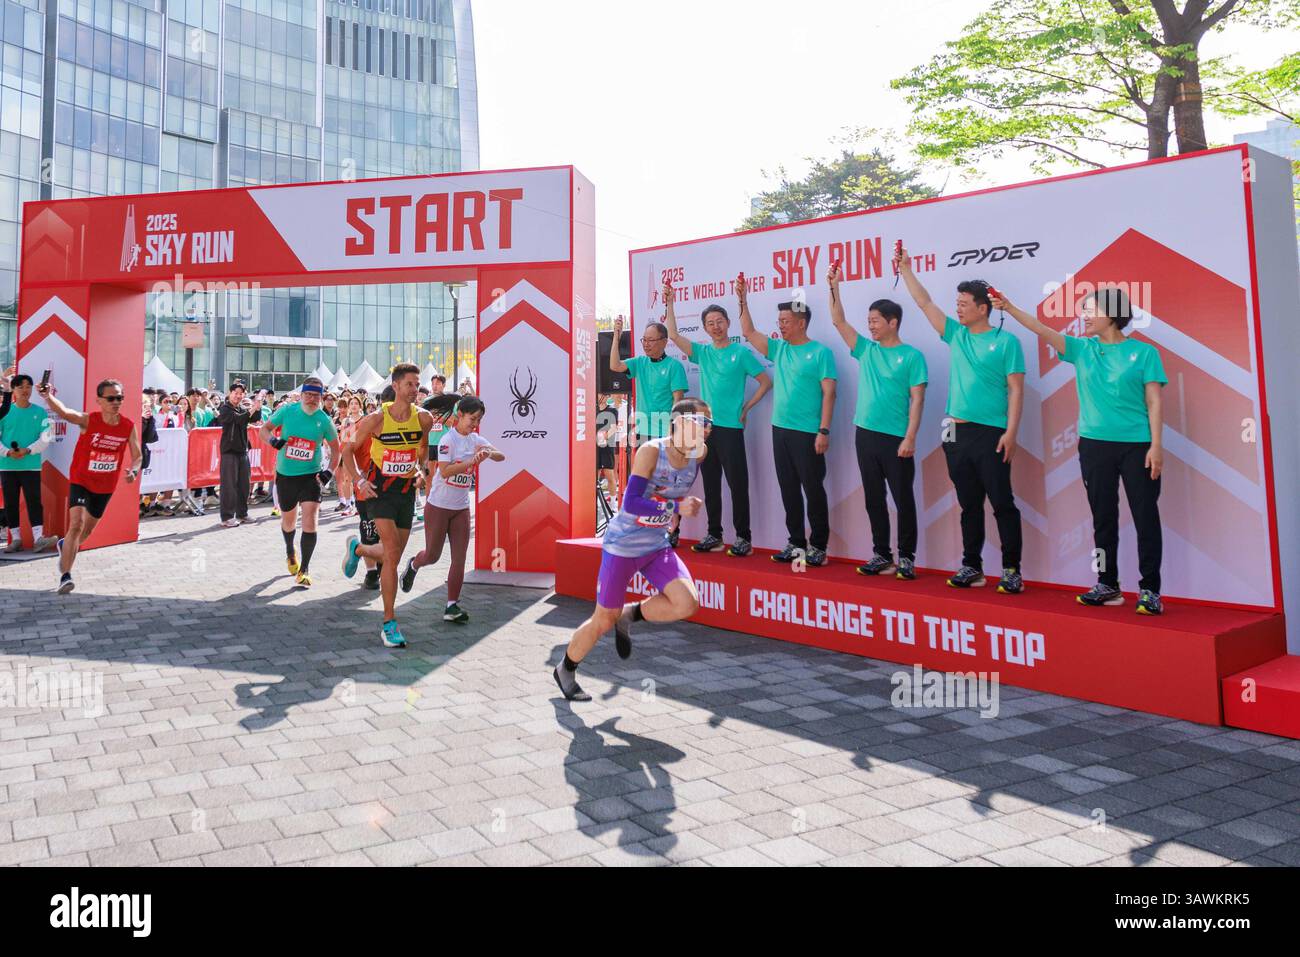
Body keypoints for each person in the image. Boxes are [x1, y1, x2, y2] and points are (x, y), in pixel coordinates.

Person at [994, 286, 1167, 614]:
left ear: (1113, 314)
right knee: (1103, 518)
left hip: (1138, 446)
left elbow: (1154, 401)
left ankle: (1150, 590)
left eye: (1091, 310)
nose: (1084, 317)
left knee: (1145, 517)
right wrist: (1010, 307)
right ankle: (1107, 583)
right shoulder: (1081, 349)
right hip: (1094, 446)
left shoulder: (1144, 354)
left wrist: (1156, 446)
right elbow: (1040, 329)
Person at [554, 398, 710, 702]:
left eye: (710, 423)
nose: (707, 430)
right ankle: (566, 668)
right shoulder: (652, 450)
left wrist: (673, 514)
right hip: (623, 546)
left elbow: (669, 492)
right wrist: (676, 506)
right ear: (679, 423)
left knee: (687, 603)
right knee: (602, 620)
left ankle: (630, 613)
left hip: (655, 545)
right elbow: (631, 503)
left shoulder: (699, 454)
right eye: (702, 422)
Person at [898, 246, 1025, 593]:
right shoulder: (956, 334)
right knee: (968, 503)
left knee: (1001, 502)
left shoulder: (1006, 341)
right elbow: (925, 303)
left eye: (965, 303)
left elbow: (1016, 389)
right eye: (957, 303)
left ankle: (1012, 570)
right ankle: (973, 566)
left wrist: (1011, 432)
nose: (958, 308)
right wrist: (907, 269)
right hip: (955, 431)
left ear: (983, 308)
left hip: (992, 432)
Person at [828, 265, 927, 580]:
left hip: (896, 438)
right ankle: (881, 554)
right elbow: (838, 321)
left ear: (892, 322)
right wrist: (834, 287)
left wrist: (910, 437)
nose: (870, 326)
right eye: (869, 321)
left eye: (875, 321)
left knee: (903, 499)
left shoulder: (912, 357)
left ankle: (906, 558)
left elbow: (918, 400)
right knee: (874, 498)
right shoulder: (866, 350)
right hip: (865, 435)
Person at [663, 282, 771, 558]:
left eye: (719, 321)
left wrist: (746, 408)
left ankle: (743, 538)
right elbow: (673, 334)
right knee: (711, 483)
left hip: (731, 428)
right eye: (710, 323)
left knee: (738, 484)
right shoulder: (704, 352)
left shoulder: (741, 352)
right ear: (705, 327)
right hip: (705, 429)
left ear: (727, 323)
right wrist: (670, 302)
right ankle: (714, 534)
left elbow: (765, 381)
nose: (715, 326)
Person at [737, 274, 838, 567]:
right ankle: (796, 544)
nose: (780, 324)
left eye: (785, 320)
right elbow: (748, 330)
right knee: (789, 489)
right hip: (779, 430)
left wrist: (824, 430)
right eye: (779, 320)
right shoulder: (779, 349)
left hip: (808, 433)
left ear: (801, 323)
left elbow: (830, 394)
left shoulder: (821, 352)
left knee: (813, 489)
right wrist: (742, 298)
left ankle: (819, 546)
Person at [338, 364, 434, 647]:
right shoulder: (377, 419)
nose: (415, 390)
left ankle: (357, 548)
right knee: (392, 555)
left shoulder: (424, 419)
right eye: (410, 385)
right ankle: (389, 623)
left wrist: (422, 471)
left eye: (418, 385)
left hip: (406, 494)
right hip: (379, 492)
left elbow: (424, 449)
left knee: (392, 553)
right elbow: (347, 450)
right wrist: (358, 481)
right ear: (395, 386)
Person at [400, 395, 504, 622]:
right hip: (438, 505)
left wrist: (488, 452)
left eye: (478, 419)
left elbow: (501, 455)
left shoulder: (475, 438)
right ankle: (414, 564)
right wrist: (472, 462)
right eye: (472, 418)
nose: (474, 423)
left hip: (461, 508)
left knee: (459, 558)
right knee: (433, 556)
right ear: (460, 415)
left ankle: (452, 606)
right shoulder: (449, 440)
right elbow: (445, 472)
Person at [38, 377, 142, 594]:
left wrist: (133, 471)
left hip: (105, 486)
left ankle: (63, 545)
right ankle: (66, 575)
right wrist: (48, 396)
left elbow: (138, 456)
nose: (116, 402)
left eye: (120, 398)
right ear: (99, 400)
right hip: (81, 480)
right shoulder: (89, 420)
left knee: (85, 533)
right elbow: (66, 413)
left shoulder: (127, 426)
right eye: (111, 398)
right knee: (76, 524)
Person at [259, 377, 339, 588]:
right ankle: (289, 551)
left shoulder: (324, 420)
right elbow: (263, 430)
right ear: (302, 395)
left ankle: (304, 570)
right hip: (286, 475)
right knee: (288, 520)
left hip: (310, 476)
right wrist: (273, 441)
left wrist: (328, 472)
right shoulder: (287, 411)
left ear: (321, 398)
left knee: (310, 520)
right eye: (308, 395)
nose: (312, 399)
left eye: (316, 396)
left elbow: (336, 449)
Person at [0, 372, 57, 553]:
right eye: (20, 387)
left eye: (28, 387)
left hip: (31, 465)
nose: (25, 390)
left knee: (34, 501)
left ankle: (38, 538)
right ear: (13, 390)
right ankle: (15, 539)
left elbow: (46, 438)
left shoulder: (41, 412)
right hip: (7, 465)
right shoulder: (4, 411)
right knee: (10, 503)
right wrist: (8, 452)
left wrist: (28, 450)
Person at [215, 381, 263, 527]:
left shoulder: (242, 408)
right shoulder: (225, 409)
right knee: (229, 485)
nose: (238, 396)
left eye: (241, 393)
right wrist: (253, 408)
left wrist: (258, 406)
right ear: (230, 393)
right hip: (229, 451)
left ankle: (242, 513)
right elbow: (239, 420)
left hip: (243, 451)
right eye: (235, 393)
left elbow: (254, 418)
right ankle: (227, 517)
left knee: (244, 485)